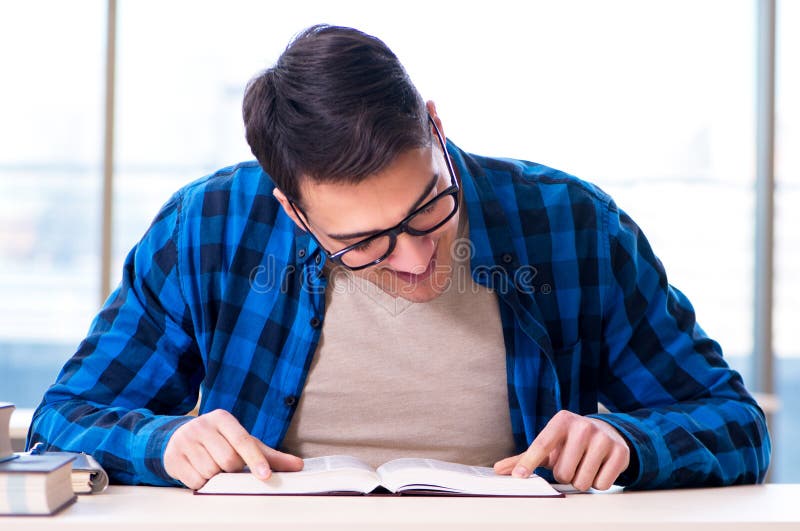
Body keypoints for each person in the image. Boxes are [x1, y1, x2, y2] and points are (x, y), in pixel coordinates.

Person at [28, 24, 770, 491]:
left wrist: (628, 441)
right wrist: (164, 440)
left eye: (427, 208)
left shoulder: (571, 222)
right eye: (361, 243)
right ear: (293, 212)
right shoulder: (207, 227)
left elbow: (737, 422)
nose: (415, 259)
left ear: (437, 131)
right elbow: (61, 421)